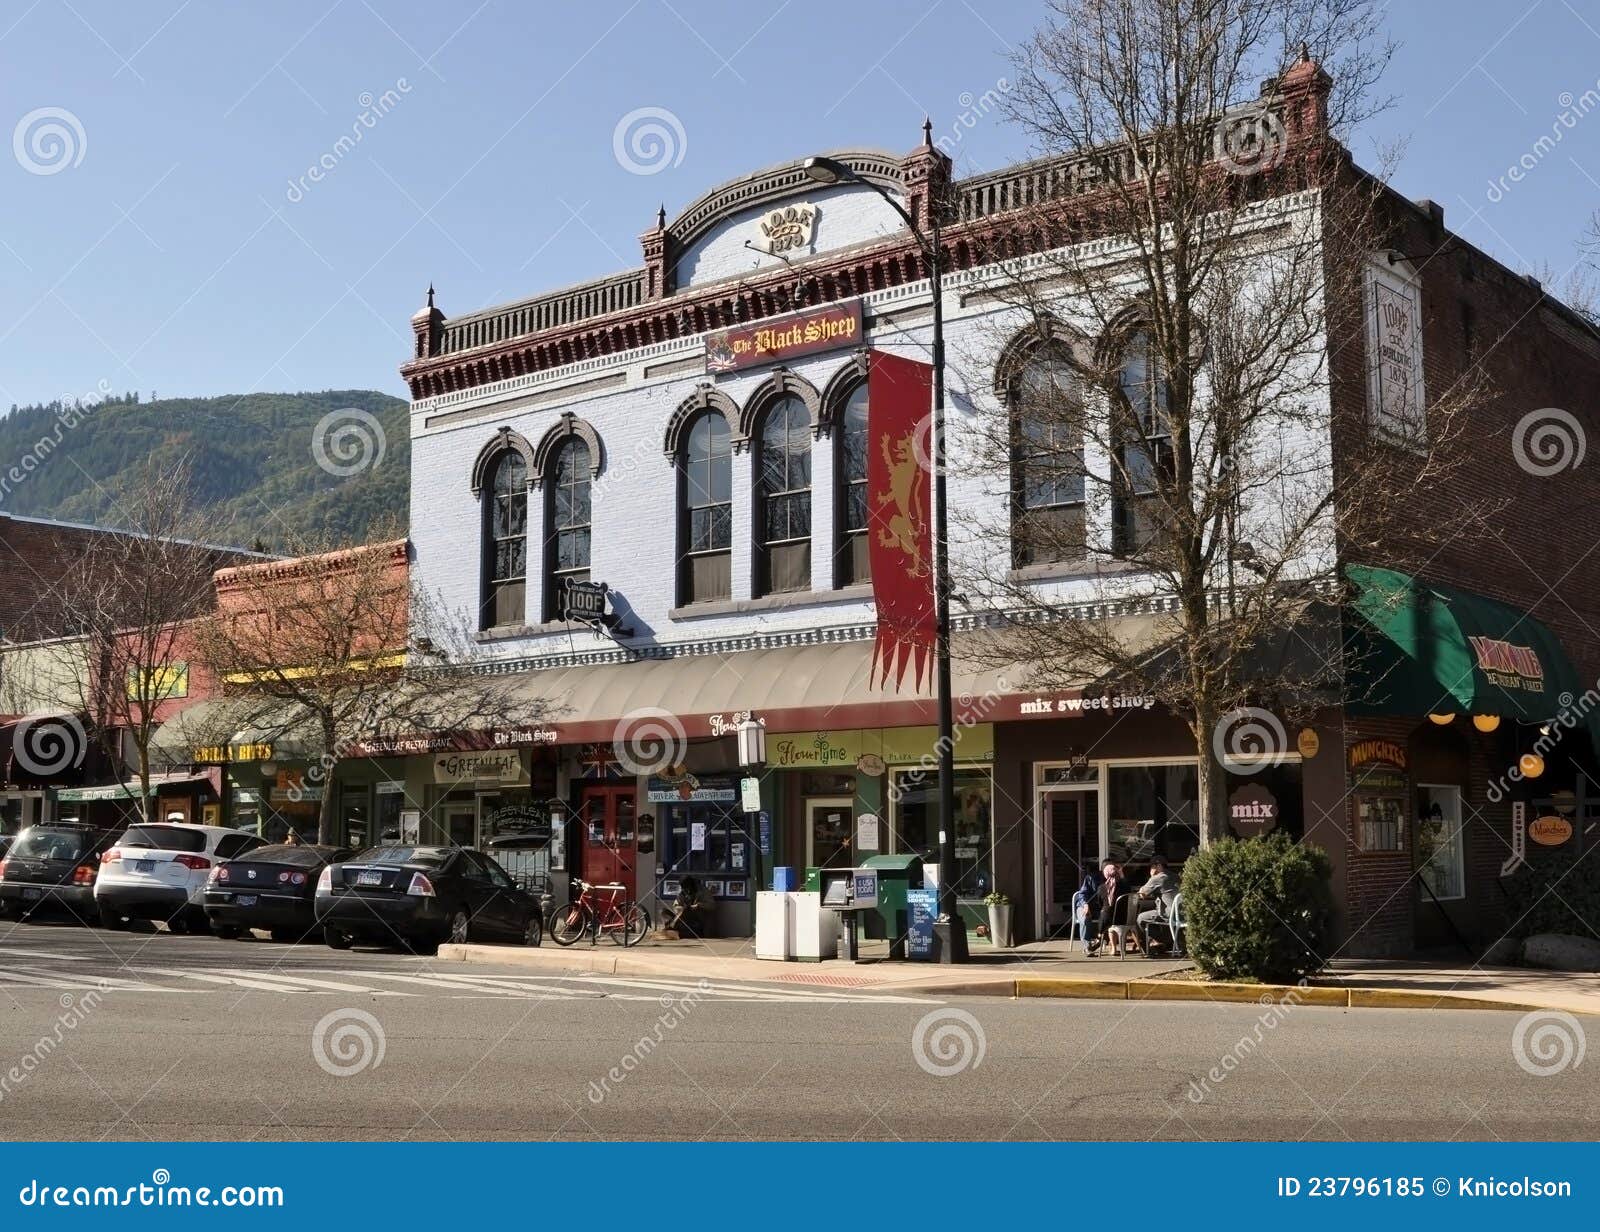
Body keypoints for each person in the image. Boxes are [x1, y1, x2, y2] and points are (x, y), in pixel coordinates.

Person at [1079, 860, 1130, 956]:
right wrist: (1085, 904)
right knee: (1086, 917)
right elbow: (1082, 894)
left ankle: (1102, 940)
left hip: (1103, 909)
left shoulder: (1117, 880)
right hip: (1086, 905)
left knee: (1109, 915)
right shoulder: (1091, 878)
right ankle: (1087, 946)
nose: (1114, 870)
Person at [1135, 858, 1178, 955]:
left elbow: (1142, 894)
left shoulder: (1157, 877)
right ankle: (1164, 941)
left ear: (1158, 866)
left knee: (1140, 918)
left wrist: (1151, 876)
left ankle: (1151, 946)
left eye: (1152, 866)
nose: (1151, 868)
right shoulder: (1175, 876)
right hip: (1181, 913)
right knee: (1152, 913)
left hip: (1168, 913)